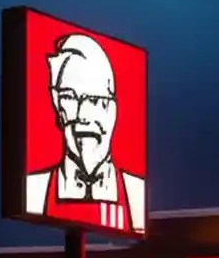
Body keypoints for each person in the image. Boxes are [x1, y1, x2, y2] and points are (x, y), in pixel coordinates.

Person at [24, 33, 145, 234]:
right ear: (58, 107)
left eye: (95, 100)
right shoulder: (34, 191)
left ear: (113, 110)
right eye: (70, 98)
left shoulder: (136, 196)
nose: (83, 116)